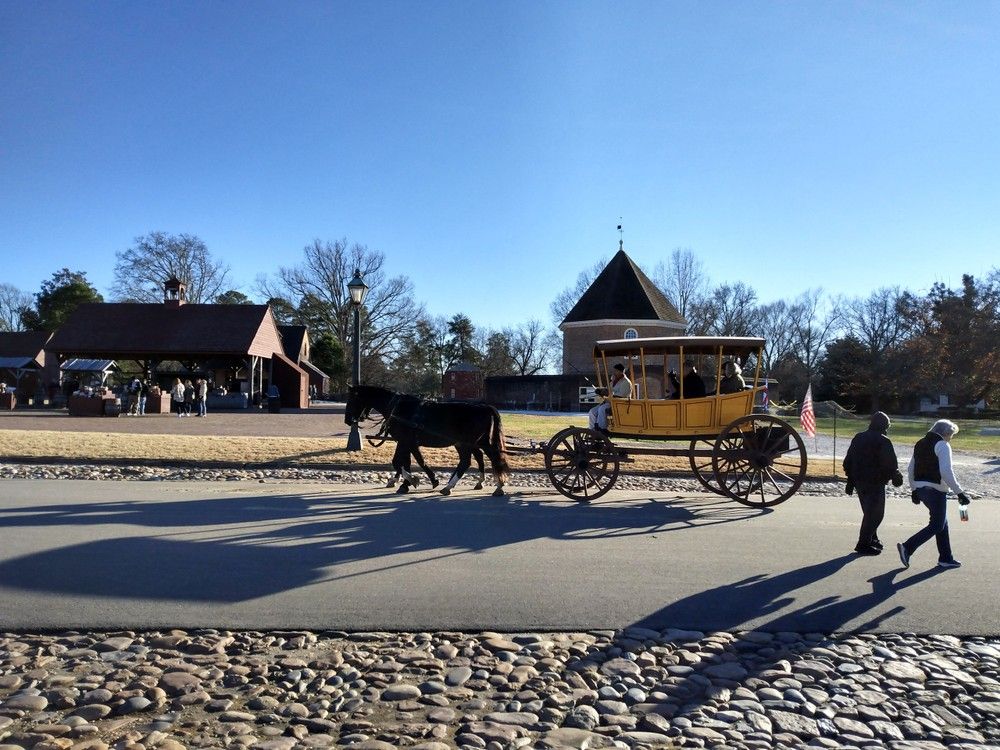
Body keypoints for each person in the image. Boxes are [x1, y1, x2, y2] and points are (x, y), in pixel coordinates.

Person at [898, 419, 970, 570]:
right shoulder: (943, 445)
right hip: (935, 489)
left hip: (921, 488)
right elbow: (946, 471)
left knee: (942, 523)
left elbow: (911, 468)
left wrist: (913, 490)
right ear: (945, 433)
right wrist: (959, 492)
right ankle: (907, 547)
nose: (951, 438)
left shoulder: (920, 443)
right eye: (951, 435)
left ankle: (946, 558)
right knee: (937, 524)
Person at [842, 412, 904, 555]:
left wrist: (850, 481)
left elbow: (848, 461)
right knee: (876, 514)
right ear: (884, 426)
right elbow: (889, 464)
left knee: (868, 512)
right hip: (875, 482)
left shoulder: (859, 437)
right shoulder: (883, 441)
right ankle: (863, 543)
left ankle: (872, 539)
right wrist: (896, 476)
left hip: (859, 481)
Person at [588, 364, 632, 435]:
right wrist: (601, 391)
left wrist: (607, 394)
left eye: (616, 371)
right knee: (592, 411)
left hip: (620, 404)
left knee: (602, 409)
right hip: (609, 403)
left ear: (621, 372)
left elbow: (621, 396)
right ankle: (592, 430)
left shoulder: (626, 382)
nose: (614, 372)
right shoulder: (613, 381)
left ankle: (602, 429)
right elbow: (608, 390)